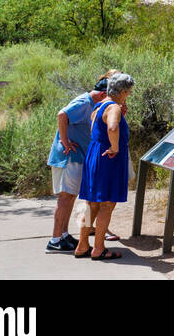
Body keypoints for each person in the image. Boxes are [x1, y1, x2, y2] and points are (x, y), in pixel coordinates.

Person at [45, 71, 115, 253]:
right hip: (69, 157)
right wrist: (64, 140)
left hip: (77, 157)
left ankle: (63, 236)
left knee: (70, 197)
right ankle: (55, 240)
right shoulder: (85, 102)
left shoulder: (93, 104)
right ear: (102, 95)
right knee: (65, 197)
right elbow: (62, 115)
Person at [76, 73, 134, 260]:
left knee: (92, 204)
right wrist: (115, 148)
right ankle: (99, 248)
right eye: (129, 92)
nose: (129, 95)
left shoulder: (99, 106)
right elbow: (112, 128)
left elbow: (99, 128)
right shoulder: (113, 108)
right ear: (123, 91)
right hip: (108, 158)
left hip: (94, 156)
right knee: (106, 205)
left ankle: (82, 245)